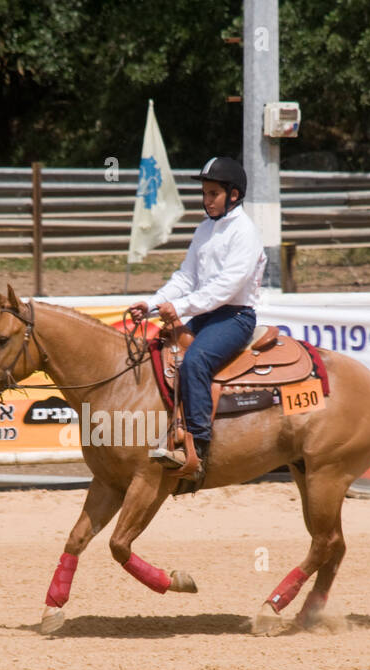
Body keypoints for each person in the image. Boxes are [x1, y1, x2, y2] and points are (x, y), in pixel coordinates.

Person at [128, 156, 267, 478]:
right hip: (206, 314)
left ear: (233, 194)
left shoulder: (245, 231)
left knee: (195, 361)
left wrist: (182, 307)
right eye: (204, 193)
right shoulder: (205, 229)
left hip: (234, 317)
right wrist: (152, 304)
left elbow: (227, 286)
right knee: (161, 354)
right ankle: (168, 431)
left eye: (213, 194)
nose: (207, 200)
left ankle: (199, 447)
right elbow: (185, 277)